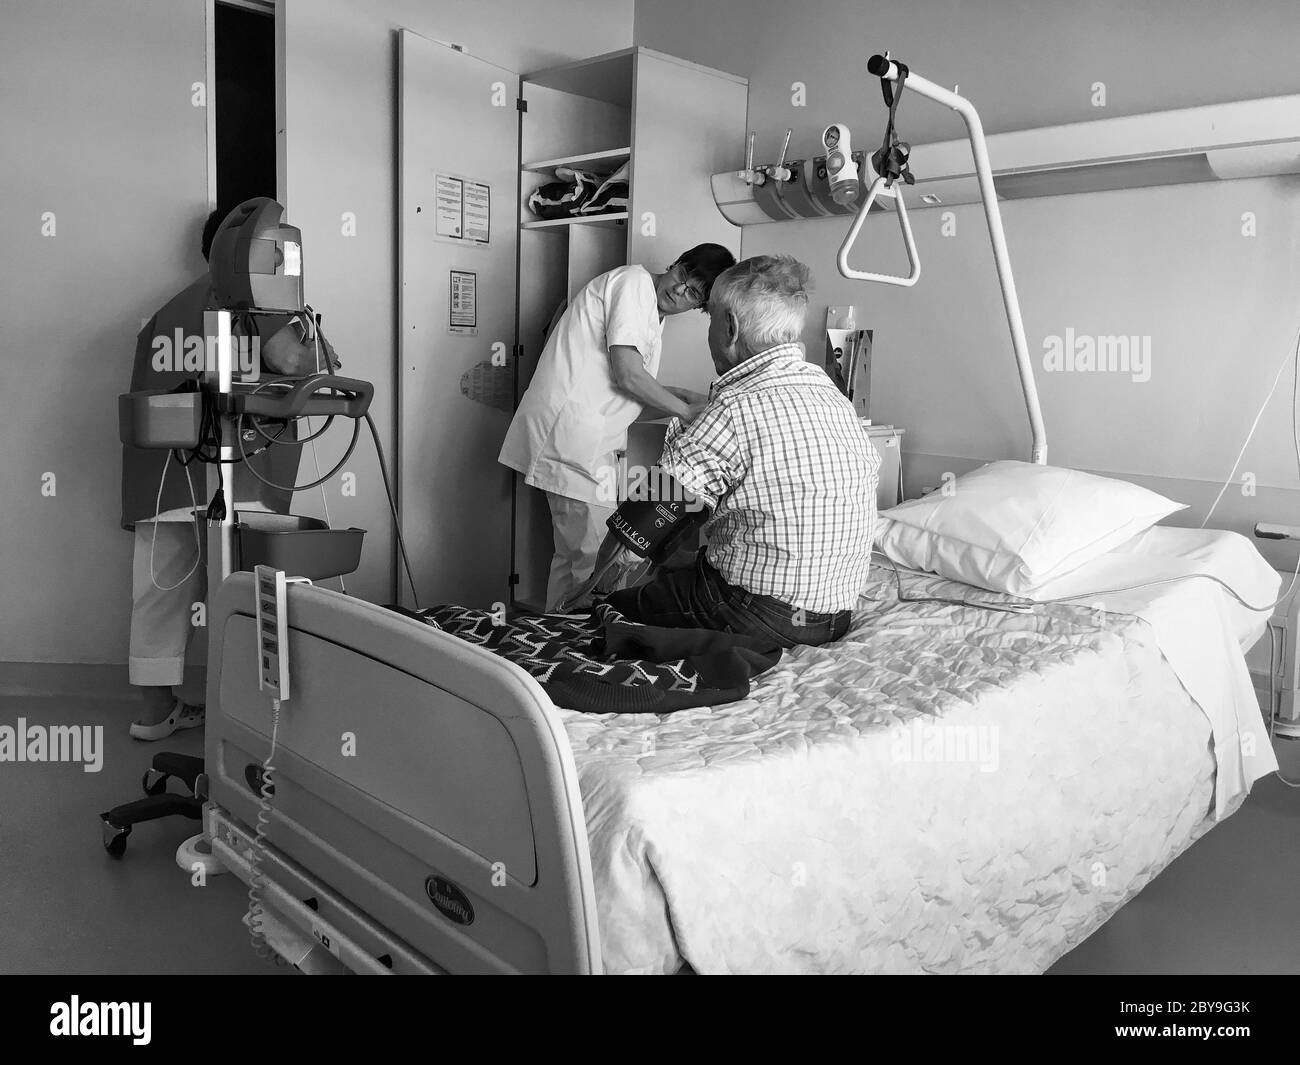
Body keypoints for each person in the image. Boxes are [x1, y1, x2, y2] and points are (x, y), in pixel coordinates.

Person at [121, 206, 337, 739]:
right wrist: (313, 334)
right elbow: (299, 364)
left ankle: (154, 714)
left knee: (160, 595)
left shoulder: (165, 313)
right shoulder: (258, 303)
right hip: (238, 475)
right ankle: (247, 715)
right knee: (247, 591)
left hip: (163, 477)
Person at [593, 254, 881, 648]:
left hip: (754, 616)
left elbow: (634, 537)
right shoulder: (833, 397)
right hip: (834, 618)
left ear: (730, 327)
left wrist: (586, 597)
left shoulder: (733, 408)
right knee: (683, 564)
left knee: (614, 607)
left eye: (710, 318)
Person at [499, 244, 735, 611]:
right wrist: (686, 411)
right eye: (683, 276)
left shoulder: (654, 316)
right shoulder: (633, 284)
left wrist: (689, 400)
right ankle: (565, 648)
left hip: (591, 443)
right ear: (674, 263)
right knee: (590, 560)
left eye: (693, 293)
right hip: (570, 438)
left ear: (698, 308)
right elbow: (627, 375)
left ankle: (553, 640)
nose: (679, 290)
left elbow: (632, 396)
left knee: (581, 558)